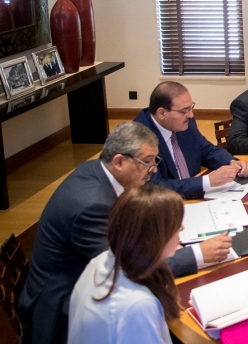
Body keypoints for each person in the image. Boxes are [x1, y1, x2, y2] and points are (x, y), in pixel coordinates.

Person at [20, 122, 230, 344]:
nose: (155, 169)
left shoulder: (96, 170)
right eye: (147, 162)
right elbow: (128, 265)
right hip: (64, 313)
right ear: (119, 161)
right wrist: (196, 254)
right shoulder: (91, 207)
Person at [68, 185, 184, 344]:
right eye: (175, 224)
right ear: (154, 237)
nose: (182, 228)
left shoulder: (99, 261)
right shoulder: (138, 306)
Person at [136, 81, 248, 199]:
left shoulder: (185, 122)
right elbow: (154, 188)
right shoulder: (139, 138)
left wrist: (231, 162)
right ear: (162, 113)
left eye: (191, 108)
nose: (191, 115)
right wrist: (208, 181)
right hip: (165, 206)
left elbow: (205, 150)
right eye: (184, 111)